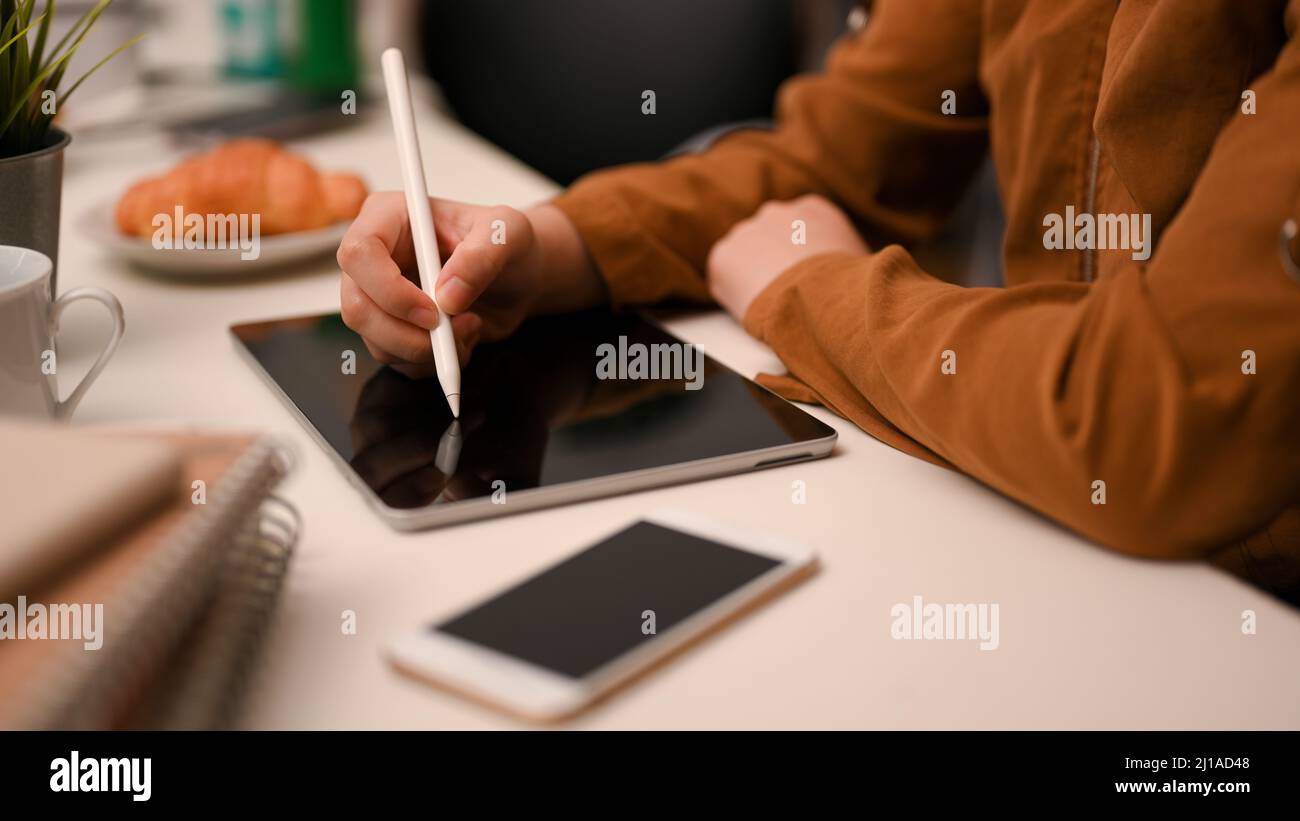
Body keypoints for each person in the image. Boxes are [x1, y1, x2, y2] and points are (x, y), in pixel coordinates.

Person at [337, 0, 1300, 598]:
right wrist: (547, 246)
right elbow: (836, 153)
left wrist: (813, 294)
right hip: (1070, 556)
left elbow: (1161, 415)